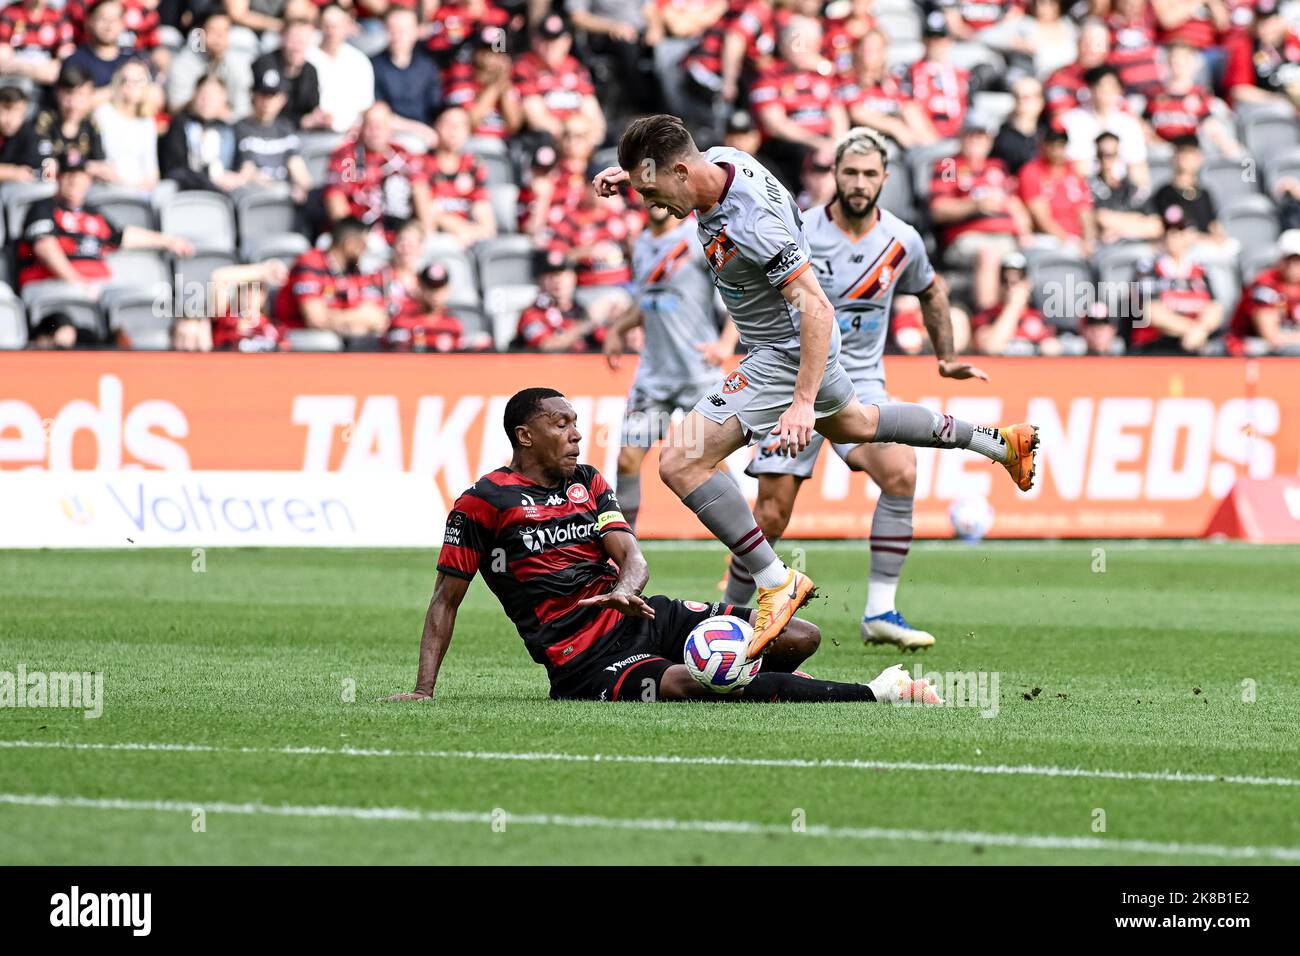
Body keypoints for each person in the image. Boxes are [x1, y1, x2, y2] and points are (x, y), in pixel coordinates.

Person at [594, 115, 1038, 657]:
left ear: (682, 172)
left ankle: (775, 581)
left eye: (652, 191)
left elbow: (816, 306)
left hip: (784, 354)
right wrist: (631, 175)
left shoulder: (752, 223)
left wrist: (802, 402)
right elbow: (672, 166)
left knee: (679, 460)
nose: (651, 204)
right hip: (798, 351)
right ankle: (998, 442)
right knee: (860, 423)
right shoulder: (724, 161)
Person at [385, 387, 942, 705]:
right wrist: (423, 690)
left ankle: (753, 675)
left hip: (649, 617)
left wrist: (625, 590)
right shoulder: (484, 501)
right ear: (525, 436)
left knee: (799, 634)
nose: (576, 433)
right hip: (583, 659)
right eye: (561, 424)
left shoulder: (589, 481)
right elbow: (445, 600)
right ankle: (877, 693)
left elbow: (631, 555)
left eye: (577, 423)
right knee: (684, 683)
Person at [725, 126, 973, 651]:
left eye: (869, 173)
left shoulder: (902, 239)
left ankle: (880, 610)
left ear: (885, 178)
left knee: (901, 471)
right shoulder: (800, 228)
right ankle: (732, 612)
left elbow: (932, 290)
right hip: (791, 378)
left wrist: (946, 358)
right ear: (834, 174)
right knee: (771, 514)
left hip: (857, 385)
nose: (859, 183)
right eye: (849, 172)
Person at [603, 202, 738, 531]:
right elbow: (646, 299)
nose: (656, 202)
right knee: (626, 460)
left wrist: (726, 343)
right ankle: (626, 552)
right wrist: (617, 329)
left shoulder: (698, 239)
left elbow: (739, 289)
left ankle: (745, 552)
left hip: (698, 375)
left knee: (713, 464)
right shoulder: (641, 243)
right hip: (653, 377)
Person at [17, 150, 192, 293]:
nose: (74, 181)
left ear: (88, 180)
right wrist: (78, 283)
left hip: (97, 287)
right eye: (68, 174)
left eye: (80, 175)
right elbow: (45, 248)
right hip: (56, 286)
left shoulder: (92, 213)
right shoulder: (43, 207)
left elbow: (122, 236)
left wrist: (168, 241)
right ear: (58, 178)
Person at [929, 112, 1032, 312]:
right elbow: (939, 209)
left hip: (1006, 237)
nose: (977, 140)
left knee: (1023, 263)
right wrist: (975, 205)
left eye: (982, 135)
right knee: (989, 255)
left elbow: (1013, 202)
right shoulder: (950, 165)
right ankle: (985, 319)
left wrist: (1024, 230)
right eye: (972, 134)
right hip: (968, 238)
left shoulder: (998, 166)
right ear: (962, 137)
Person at [1127, 206, 1223, 354]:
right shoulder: (1147, 268)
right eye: (1168, 230)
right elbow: (1151, 312)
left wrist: (1201, 330)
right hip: (1155, 347)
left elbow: (1214, 308)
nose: (1173, 236)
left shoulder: (1200, 271)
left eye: (1179, 230)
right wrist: (1191, 330)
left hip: (1194, 345)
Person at [274, 216, 389, 339]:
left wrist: (347, 321)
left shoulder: (354, 271)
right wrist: (357, 320)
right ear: (350, 244)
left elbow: (380, 320)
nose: (364, 252)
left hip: (340, 342)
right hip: (300, 344)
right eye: (363, 246)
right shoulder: (310, 262)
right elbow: (315, 320)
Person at [234, 65, 312, 203]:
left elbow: (297, 167)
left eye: (273, 96)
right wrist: (281, 190)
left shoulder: (286, 128)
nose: (267, 102)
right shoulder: (240, 128)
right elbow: (248, 172)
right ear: (253, 95)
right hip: (256, 197)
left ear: (283, 99)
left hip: (285, 196)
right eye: (263, 94)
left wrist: (309, 191)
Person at [159, 74, 246, 193]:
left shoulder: (230, 129)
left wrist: (240, 177)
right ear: (194, 96)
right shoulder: (179, 125)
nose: (206, 102)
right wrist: (211, 181)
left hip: (226, 193)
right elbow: (175, 170)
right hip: (188, 192)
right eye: (202, 96)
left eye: (212, 97)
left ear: (223, 99)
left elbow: (240, 166)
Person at [370, 6, 442, 145]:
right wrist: (418, 129)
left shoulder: (428, 67)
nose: (398, 35)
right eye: (392, 29)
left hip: (427, 137)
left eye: (404, 29)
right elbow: (376, 114)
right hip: (387, 137)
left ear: (417, 31)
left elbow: (435, 108)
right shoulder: (372, 65)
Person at [166, 7, 252, 120]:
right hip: (189, 123)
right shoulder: (183, 63)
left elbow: (242, 108)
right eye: (213, 30)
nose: (219, 36)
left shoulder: (237, 64)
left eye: (225, 31)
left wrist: (221, 111)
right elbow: (175, 106)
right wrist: (206, 103)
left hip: (225, 127)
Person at [970, 251, 1063, 355]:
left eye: (1016, 281)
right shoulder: (986, 315)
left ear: (1028, 283)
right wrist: (1013, 306)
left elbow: (1052, 348)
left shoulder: (1037, 316)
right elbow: (990, 348)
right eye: (1005, 281)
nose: (1010, 287)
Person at [513, 250, 606, 352]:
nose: (557, 281)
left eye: (562, 275)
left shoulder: (582, 310)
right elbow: (546, 346)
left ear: (573, 278)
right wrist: (585, 325)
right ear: (540, 281)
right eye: (551, 276)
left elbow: (605, 342)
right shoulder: (532, 313)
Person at [1227, 229, 1300, 355]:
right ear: (1279, 259)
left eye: (1298, 260)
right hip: (1248, 347)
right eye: (1288, 260)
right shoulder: (1265, 285)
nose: (1292, 266)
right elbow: (1271, 336)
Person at [307, 3, 376, 134]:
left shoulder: (359, 61)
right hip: (313, 131)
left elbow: (366, 106)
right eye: (327, 25)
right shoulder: (307, 57)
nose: (331, 31)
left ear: (347, 27)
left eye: (336, 26)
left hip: (351, 134)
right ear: (319, 26)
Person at [93, 59, 159, 193]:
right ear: (118, 83)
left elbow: (152, 169)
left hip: (140, 191)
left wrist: (146, 185)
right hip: (107, 188)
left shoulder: (147, 122)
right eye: (126, 80)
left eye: (140, 80)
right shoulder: (103, 114)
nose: (133, 85)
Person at [251, 17, 322, 129]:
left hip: (301, 134)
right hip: (266, 131)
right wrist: (300, 121)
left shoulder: (310, 71)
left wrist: (319, 118)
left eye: (303, 41)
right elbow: (265, 110)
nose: (298, 46)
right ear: (282, 38)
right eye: (294, 40)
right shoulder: (265, 65)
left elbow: (313, 108)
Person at [0, 85, 40, 183]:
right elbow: (18, 172)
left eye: (17, 113)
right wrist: (12, 172)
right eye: (5, 112)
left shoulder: (29, 133)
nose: (10, 120)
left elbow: (29, 172)